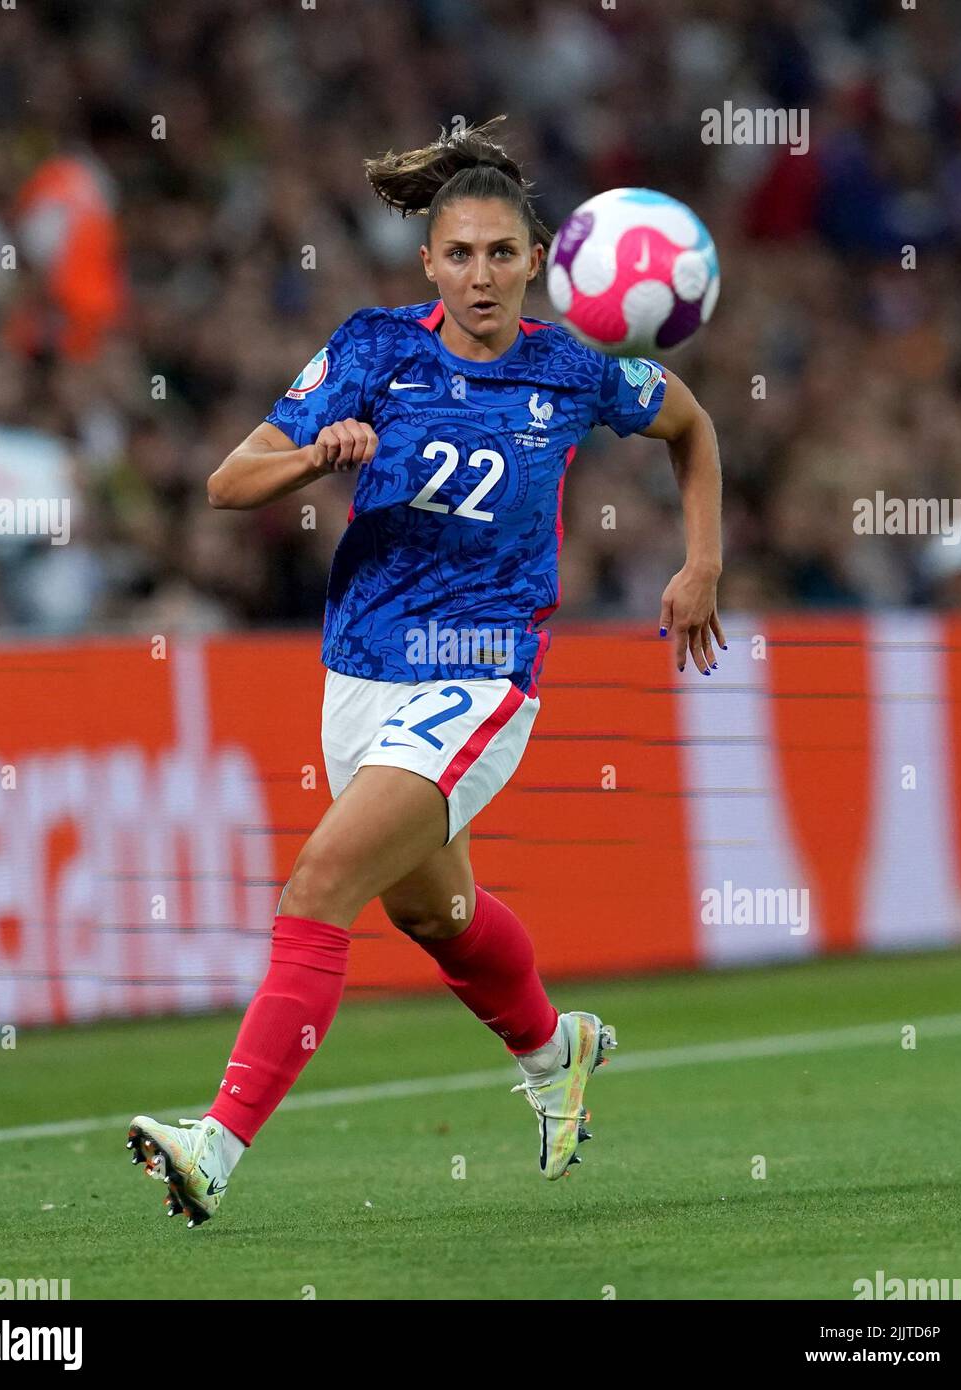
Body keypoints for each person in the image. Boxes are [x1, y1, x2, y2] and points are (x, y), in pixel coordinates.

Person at [127, 116, 726, 1227]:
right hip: (360, 673)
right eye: (461, 254)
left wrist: (702, 561)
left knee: (318, 890)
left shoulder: (576, 366)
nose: (482, 274)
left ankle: (214, 1143)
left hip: (484, 672)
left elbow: (691, 427)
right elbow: (226, 481)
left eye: (503, 253)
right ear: (429, 264)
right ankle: (559, 1049)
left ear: (538, 261)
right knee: (437, 914)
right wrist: (319, 453)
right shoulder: (373, 349)